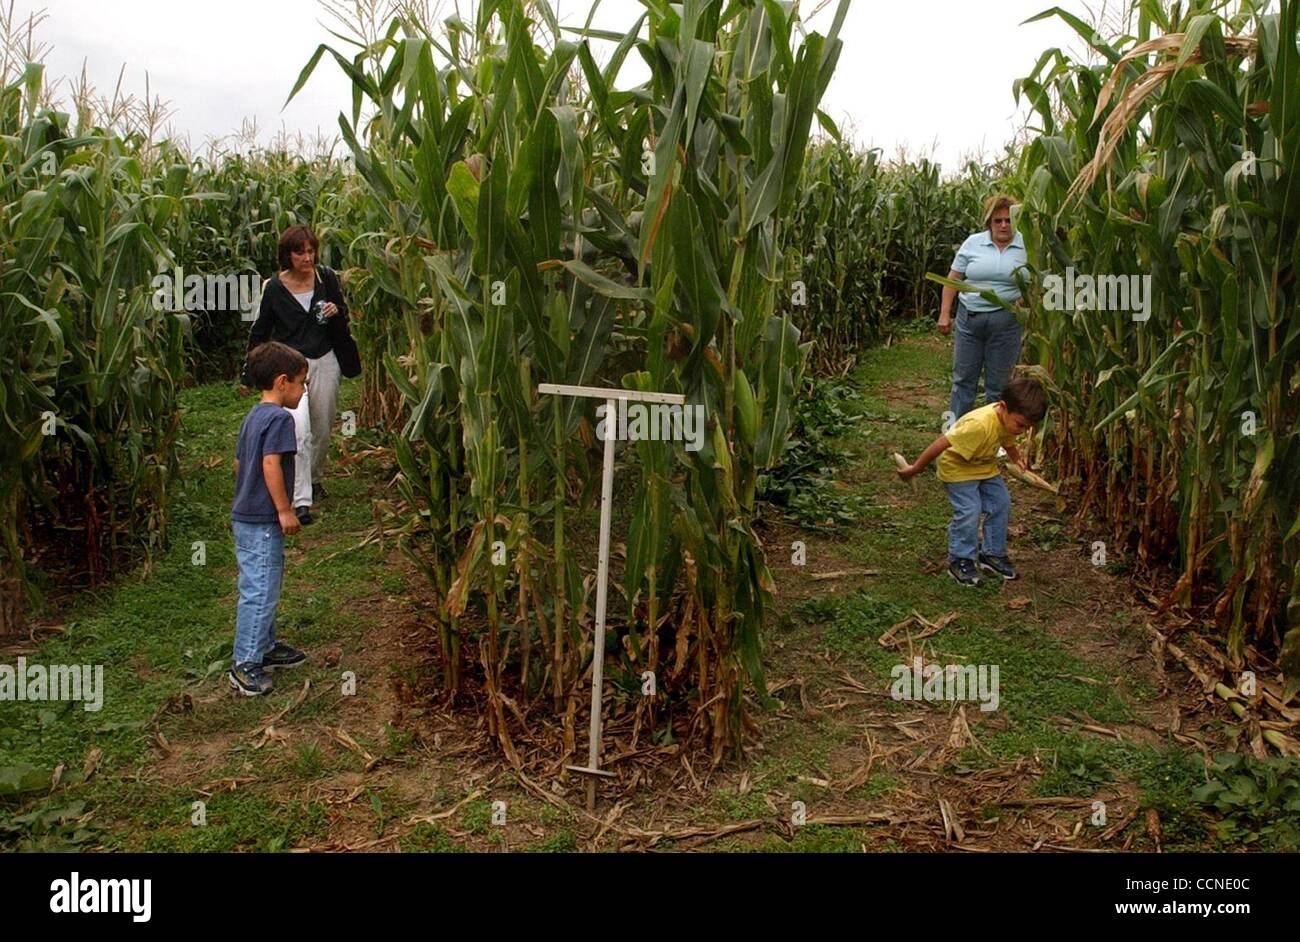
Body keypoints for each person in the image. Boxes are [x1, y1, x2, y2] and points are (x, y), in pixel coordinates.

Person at [241, 225, 351, 525]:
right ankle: (301, 501)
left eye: (311, 250)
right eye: (300, 251)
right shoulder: (274, 287)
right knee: (298, 429)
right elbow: (260, 329)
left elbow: (343, 311)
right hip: (290, 367)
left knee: (322, 425)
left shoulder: (325, 278)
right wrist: (249, 372)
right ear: (287, 255)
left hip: (325, 358)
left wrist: (335, 311)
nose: (307, 257)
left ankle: (314, 479)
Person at [896, 377, 1047, 587]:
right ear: (1002, 407)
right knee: (970, 510)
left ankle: (992, 554)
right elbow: (941, 443)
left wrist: (1016, 458)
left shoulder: (1008, 421)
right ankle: (960, 559)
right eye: (1020, 425)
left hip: (984, 467)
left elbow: (1008, 441)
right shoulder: (978, 425)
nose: (1021, 430)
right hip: (958, 469)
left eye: (1027, 428)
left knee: (1001, 502)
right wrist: (915, 468)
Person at [230, 341, 310, 696]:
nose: (304, 389)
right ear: (282, 382)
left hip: (246, 514)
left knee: (264, 584)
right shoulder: (280, 419)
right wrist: (283, 509)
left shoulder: (253, 416)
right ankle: (245, 663)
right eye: (301, 382)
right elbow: (269, 464)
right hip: (262, 520)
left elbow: (239, 463)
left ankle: (265, 646)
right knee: (260, 590)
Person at [938, 194, 1029, 421]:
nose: (1003, 225)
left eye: (1009, 220)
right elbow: (953, 279)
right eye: (997, 220)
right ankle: (954, 431)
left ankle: (995, 437)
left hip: (1006, 324)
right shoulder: (973, 243)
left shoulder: (1027, 245)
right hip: (970, 320)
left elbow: (1037, 283)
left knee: (999, 385)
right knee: (962, 381)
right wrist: (944, 314)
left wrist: (1025, 304)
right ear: (989, 222)